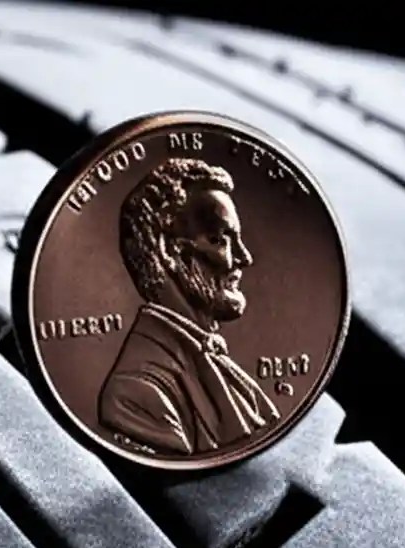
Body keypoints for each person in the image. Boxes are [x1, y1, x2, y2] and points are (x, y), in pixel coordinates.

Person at [98, 157, 280, 455]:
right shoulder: (135, 392)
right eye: (222, 240)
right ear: (170, 250)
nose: (244, 257)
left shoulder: (212, 358)